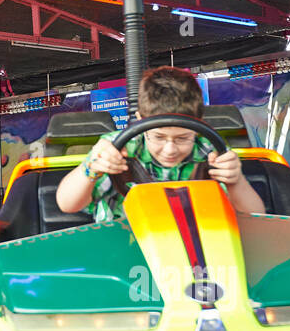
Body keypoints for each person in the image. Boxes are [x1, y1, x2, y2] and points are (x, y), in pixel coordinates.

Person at [56, 66, 265, 221]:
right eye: (158, 137)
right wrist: (91, 167)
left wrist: (235, 180)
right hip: (123, 248)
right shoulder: (116, 149)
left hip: (197, 246)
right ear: (139, 121)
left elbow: (255, 216)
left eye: (182, 138)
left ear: (199, 125)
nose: (170, 149)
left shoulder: (210, 151)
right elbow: (67, 204)